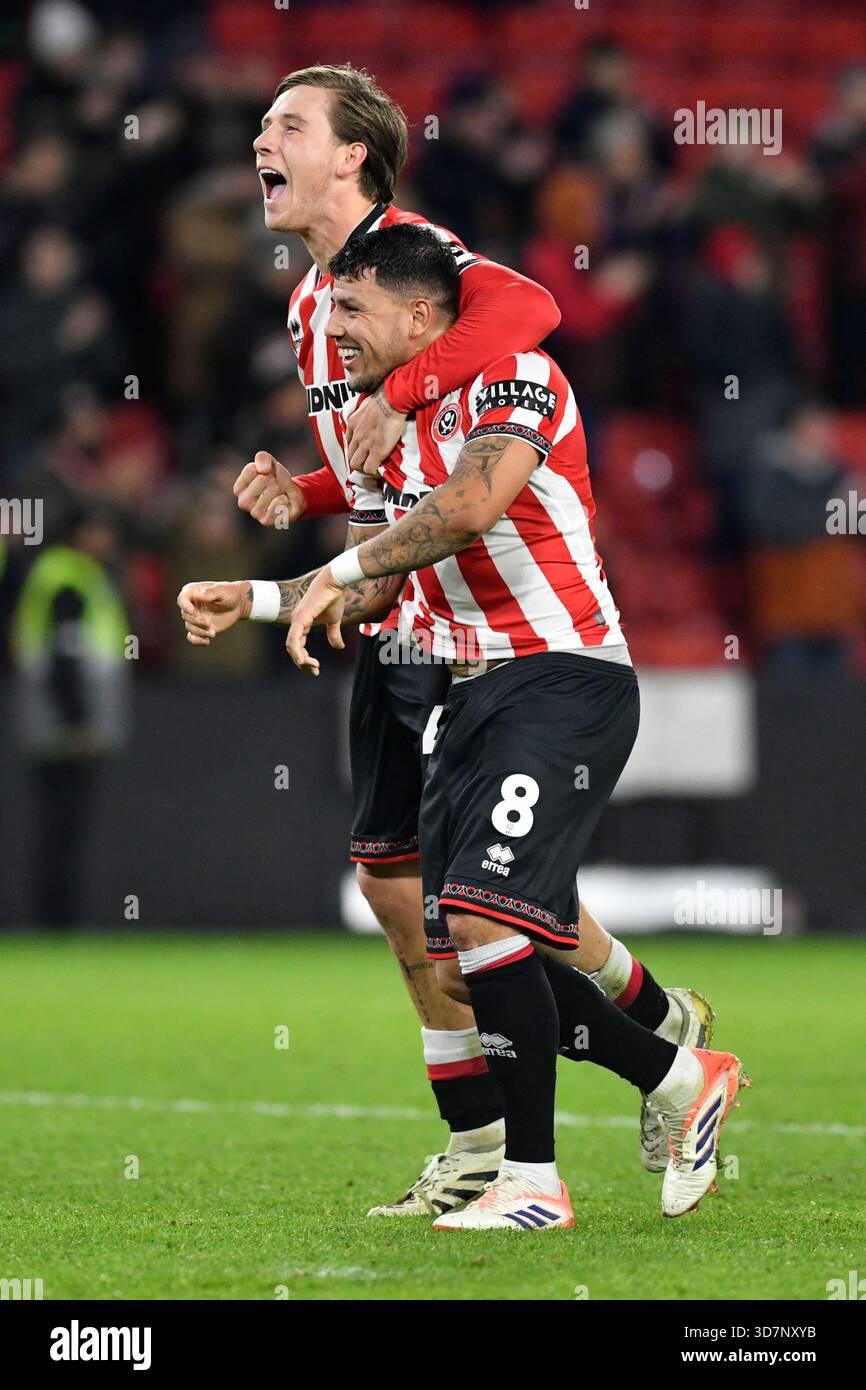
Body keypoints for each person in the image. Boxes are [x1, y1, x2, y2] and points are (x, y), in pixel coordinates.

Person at [179, 65, 716, 1218]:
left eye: (285, 124)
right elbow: (387, 480)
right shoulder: (305, 307)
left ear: (352, 157)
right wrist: (307, 502)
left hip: (490, 630)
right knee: (401, 891)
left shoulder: (424, 262)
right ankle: (508, 1136)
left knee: (481, 906)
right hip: (411, 606)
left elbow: (531, 318)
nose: (258, 140)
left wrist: (411, 383)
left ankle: (635, 1055)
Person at [283, 224, 748, 1229]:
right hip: (465, 693)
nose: (333, 326)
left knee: (486, 917)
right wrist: (269, 586)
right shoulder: (378, 429)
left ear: (422, 315)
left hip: (561, 676)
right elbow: (374, 578)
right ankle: (675, 1074)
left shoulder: (516, 379)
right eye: (329, 308)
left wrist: (344, 569)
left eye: (352, 308)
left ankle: (530, 1180)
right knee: (462, 952)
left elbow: (467, 505)